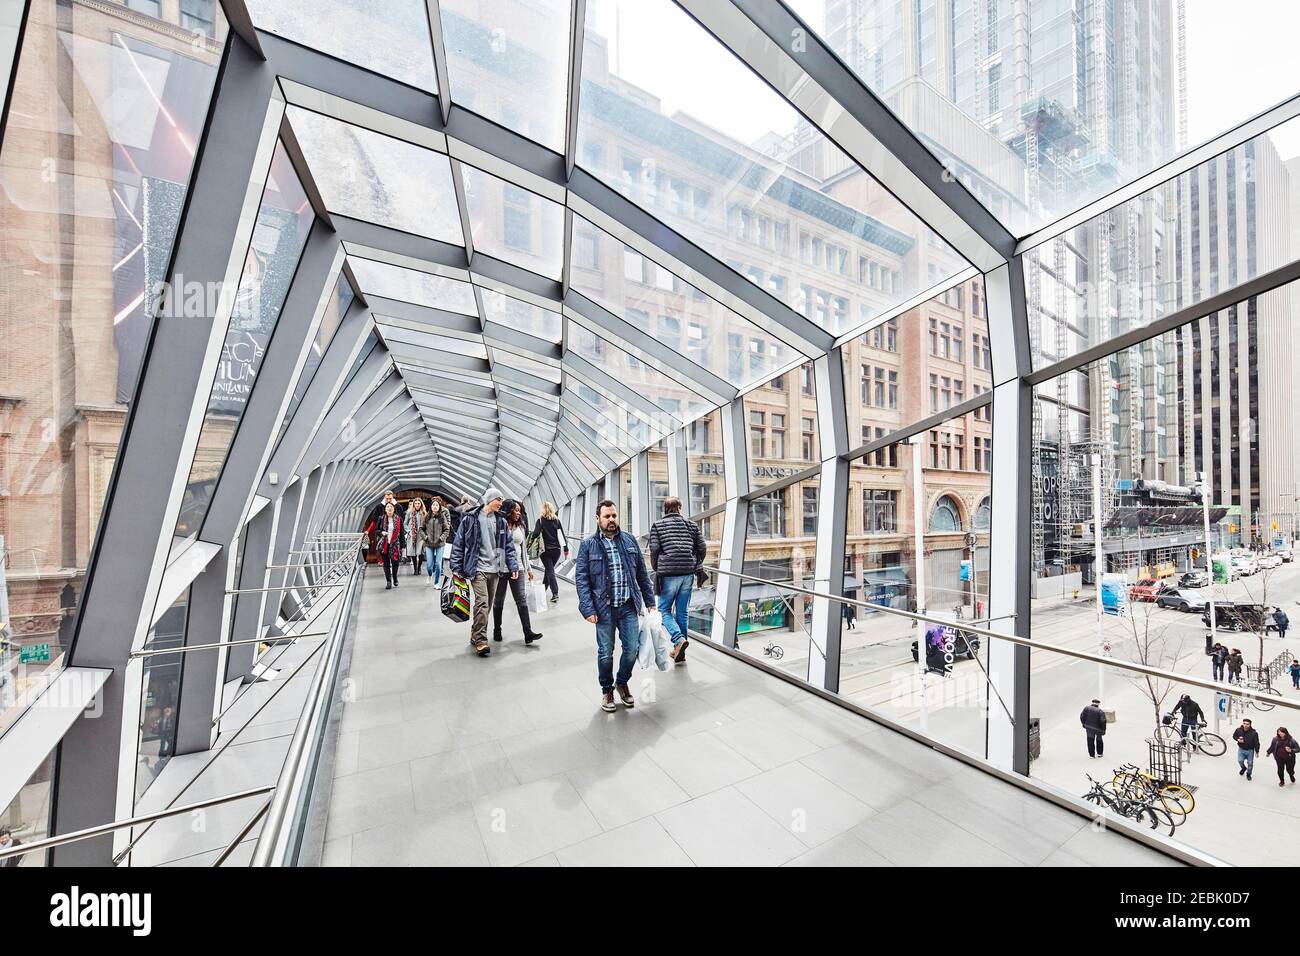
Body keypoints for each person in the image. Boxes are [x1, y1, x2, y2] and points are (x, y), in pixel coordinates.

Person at [575, 499, 654, 713]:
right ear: (597, 519)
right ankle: (607, 690)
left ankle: (622, 682)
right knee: (605, 653)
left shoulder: (629, 541)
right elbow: (581, 579)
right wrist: (588, 608)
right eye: (607, 516)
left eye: (614, 516)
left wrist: (650, 602)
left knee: (631, 649)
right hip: (603, 608)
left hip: (628, 605)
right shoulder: (588, 545)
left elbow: (642, 574)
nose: (611, 520)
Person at [449, 488, 518, 657]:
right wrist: (456, 568)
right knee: (482, 603)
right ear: (489, 500)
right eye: (499, 500)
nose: (501, 503)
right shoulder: (470, 519)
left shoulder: (500, 521)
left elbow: (508, 546)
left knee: (486, 606)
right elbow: (459, 543)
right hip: (476, 568)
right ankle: (481, 640)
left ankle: (475, 632)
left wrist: (513, 566)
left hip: (495, 570)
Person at [648, 495, 706, 664]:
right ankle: (680, 651)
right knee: (682, 612)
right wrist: (695, 561)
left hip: (668, 573)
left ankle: (679, 640)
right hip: (687, 573)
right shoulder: (691, 525)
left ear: (665, 509)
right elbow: (702, 547)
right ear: (680, 508)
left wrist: (657, 567)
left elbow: (654, 550)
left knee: (664, 611)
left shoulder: (657, 526)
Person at [491, 499, 543, 645]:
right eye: (516, 510)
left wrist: (529, 569)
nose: (519, 513)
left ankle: (528, 632)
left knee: (521, 599)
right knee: (499, 600)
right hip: (501, 568)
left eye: (520, 510)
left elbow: (524, 550)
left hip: (518, 568)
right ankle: (497, 629)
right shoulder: (499, 524)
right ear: (509, 510)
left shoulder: (520, 526)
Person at [530, 501, 569, 603]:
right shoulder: (557, 521)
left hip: (545, 551)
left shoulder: (540, 521)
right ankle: (543, 590)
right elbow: (562, 536)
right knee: (548, 570)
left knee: (550, 571)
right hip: (556, 551)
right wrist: (566, 549)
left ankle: (555, 593)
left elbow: (535, 534)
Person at [371, 502, 403, 589]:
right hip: (385, 544)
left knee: (395, 562)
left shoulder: (399, 519)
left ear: (393, 509)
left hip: (395, 544)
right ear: (385, 509)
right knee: (386, 563)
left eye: (391, 507)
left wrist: (403, 546)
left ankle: (395, 578)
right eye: (387, 507)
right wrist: (381, 532)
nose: (389, 509)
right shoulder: (381, 518)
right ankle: (388, 581)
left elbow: (402, 533)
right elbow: (376, 530)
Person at [422, 498, 452, 588]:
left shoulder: (442, 517)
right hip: (429, 544)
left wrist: (442, 538)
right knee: (429, 565)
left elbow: (447, 529)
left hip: (440, 544)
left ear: (439, 507)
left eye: (437, 505)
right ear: (431, 507)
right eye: (433, 505)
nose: (435, 507)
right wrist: (425, 537)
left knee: (438, 564)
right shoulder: (427, 516)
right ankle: (430, 575)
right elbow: (421, 529)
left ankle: (437, 582)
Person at [404, 497, 427, 576]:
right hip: (412, 535)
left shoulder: (424, 513)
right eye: (416, 503)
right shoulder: (409, 512)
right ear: (413, 504)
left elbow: (426, 525)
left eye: (418, 503)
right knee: (413, 552)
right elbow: (405, 524)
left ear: (421, 504)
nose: (417, 505)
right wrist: (409, 531)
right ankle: (415, 568)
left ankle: (419, 567)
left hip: (421, 535)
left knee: (420, 552)